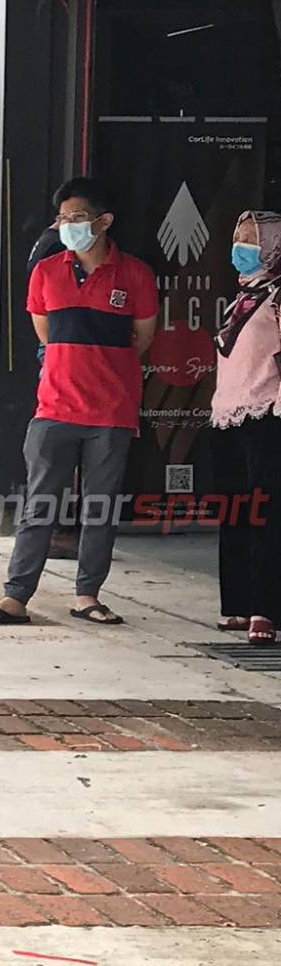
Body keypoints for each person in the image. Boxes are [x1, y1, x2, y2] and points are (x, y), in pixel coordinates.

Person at [0, 177, 159, 627]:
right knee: (39, 507)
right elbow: (44, 332)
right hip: (54, 410)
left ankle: (88, 594)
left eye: (77, 218)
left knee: (100, 510)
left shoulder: (135, 275)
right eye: (62, 219)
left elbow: (143, 338)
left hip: (111, 414)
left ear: (104, 221)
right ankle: (16, 597)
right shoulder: (46, 271)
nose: (67, 226)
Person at [211, 211, 281, 644]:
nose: (242, 244)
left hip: (267, 417)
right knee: (235, 511)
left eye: (252, 237)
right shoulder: (240, 298)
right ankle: (236, 603)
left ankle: (265, 608)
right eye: (238, 235)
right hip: (228, 415)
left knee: (266, 515)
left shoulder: (276, 298)